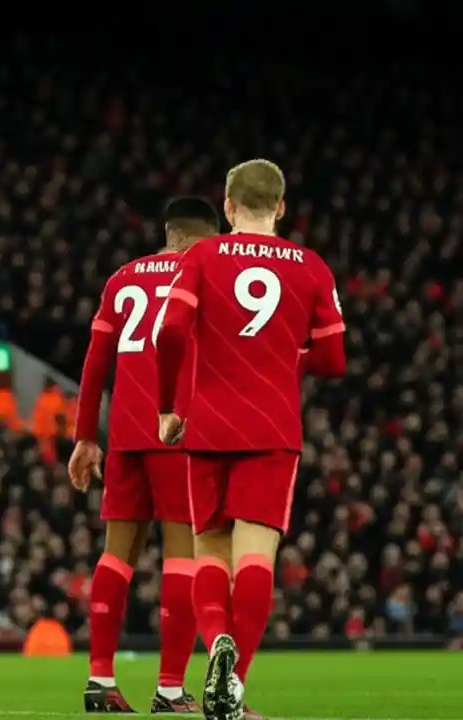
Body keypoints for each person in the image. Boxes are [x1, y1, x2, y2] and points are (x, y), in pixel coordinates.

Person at [155, 159, 346, 720]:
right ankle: (233, 688)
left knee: (209, 550)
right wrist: (288, 357)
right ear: (281, 207)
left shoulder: (201, 256)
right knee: (255, 559)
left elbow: (169, 330)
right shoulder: (312, 267)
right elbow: (334, 360)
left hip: (209, 423)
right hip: (272, 426)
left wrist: (169, 408)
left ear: (230, 206)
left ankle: (216, 643)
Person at [69, 197, 219, 714]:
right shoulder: (206, 273)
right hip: (176, 430)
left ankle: (100, 681)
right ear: (204, 238)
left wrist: (86, 436)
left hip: (125, 438)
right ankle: (171, 690)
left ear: (169, 231)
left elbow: (95, 362)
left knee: (116, 556)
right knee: (184, 558)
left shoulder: (122, 278)